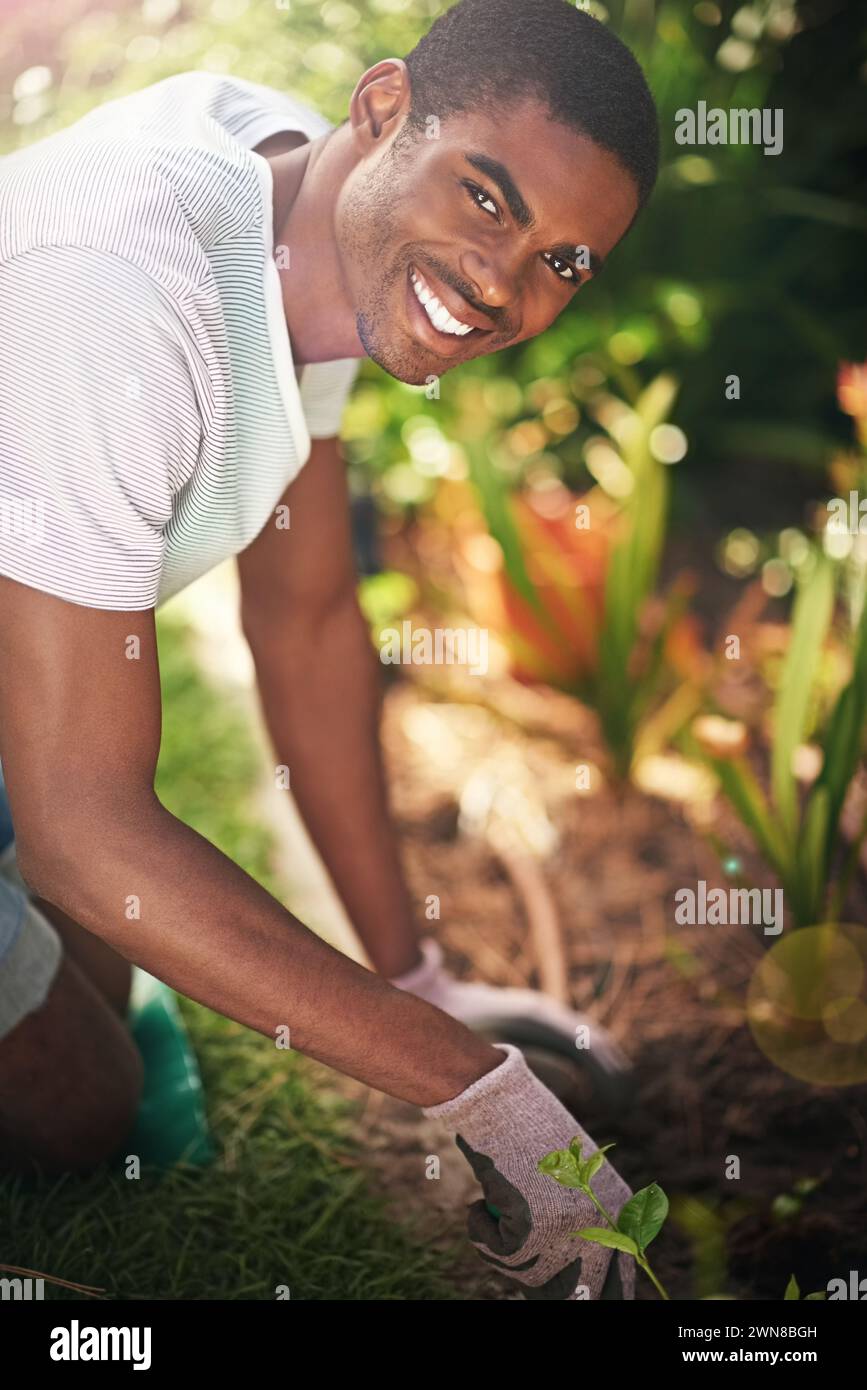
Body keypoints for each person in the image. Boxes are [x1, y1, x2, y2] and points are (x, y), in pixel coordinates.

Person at [0, 0, 657, 1298]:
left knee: (109, 988)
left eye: (561, 262)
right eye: (488, 197)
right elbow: (84, 825)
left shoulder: (321, 232)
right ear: (383, 108)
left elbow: (302, 623)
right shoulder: (129, 291)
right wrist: (485, 1094)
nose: (500, 285)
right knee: (79, 1106)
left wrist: (412, 977)